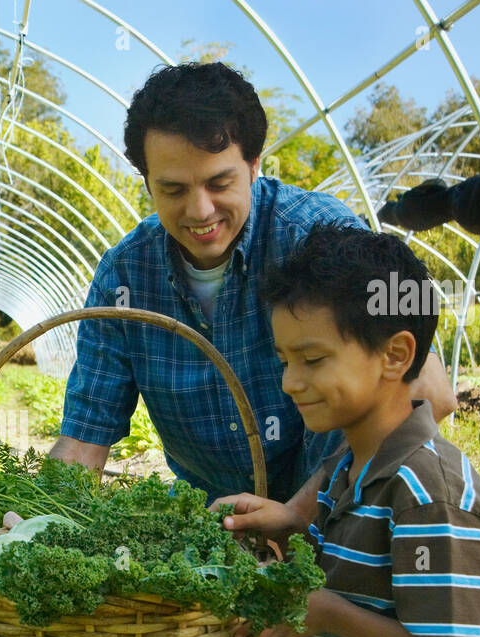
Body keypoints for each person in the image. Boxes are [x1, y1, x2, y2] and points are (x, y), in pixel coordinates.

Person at [107, 225, 480, 637]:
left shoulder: (433, 493)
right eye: (286, 360)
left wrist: (323, 612)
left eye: (313, 360)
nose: (291, 382)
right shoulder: (361, 455)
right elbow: (325, 480)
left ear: (396, 355)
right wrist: (292, 513)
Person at [51, 61, 458, 516]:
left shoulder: (319, 231)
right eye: (172, 190)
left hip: (346, 514)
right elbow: (84, 438)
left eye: (219, 183)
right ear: (147, 182)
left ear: (254, 165)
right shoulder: (124, 276)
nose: (200, 210)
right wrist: (35, 524)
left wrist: (299, 514)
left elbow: (428, 389)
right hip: (220, 528)